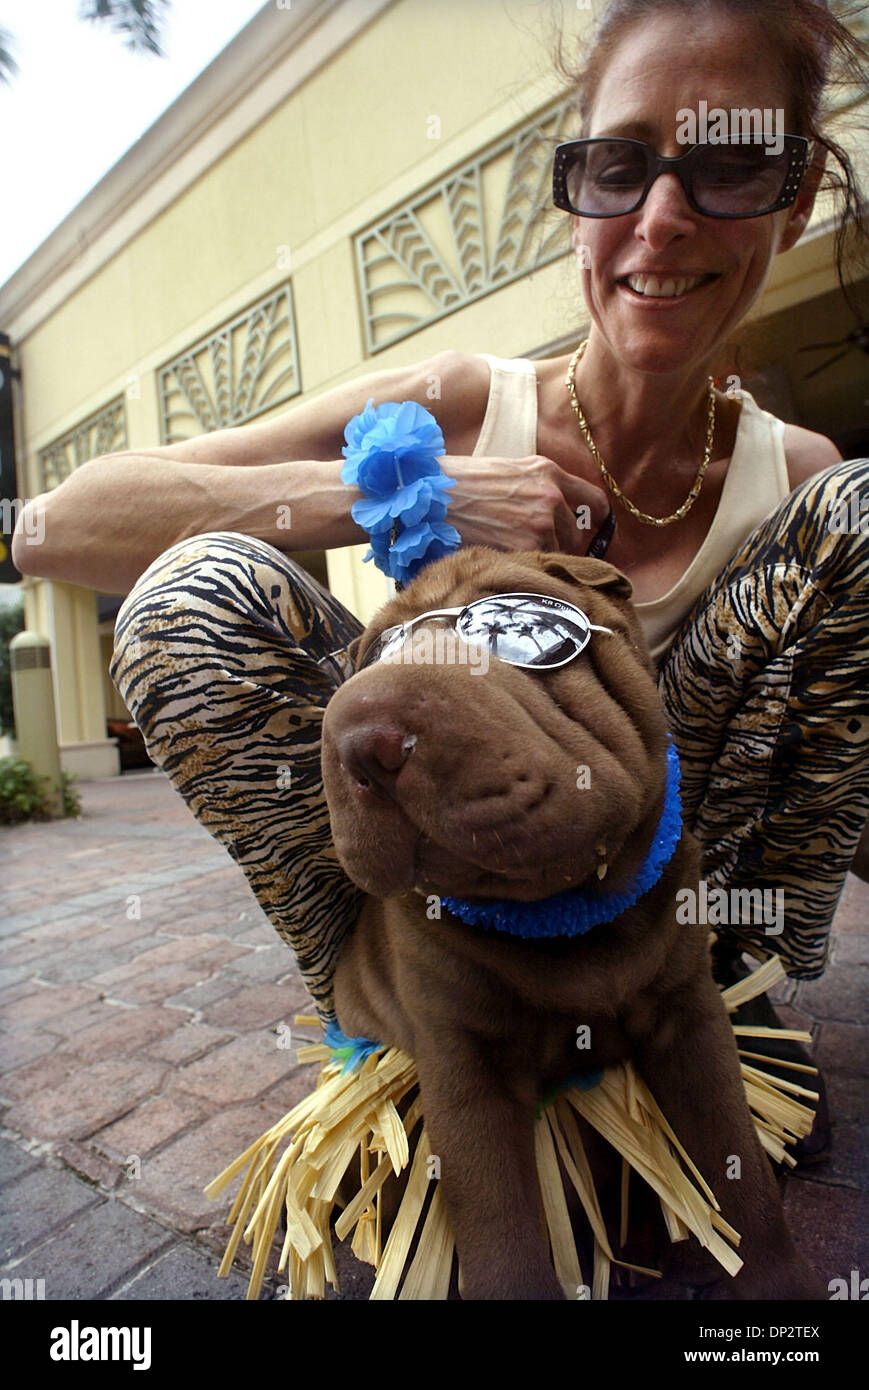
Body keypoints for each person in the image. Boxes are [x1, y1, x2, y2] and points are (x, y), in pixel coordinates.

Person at [13, 0, 869, 1167]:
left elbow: (821, 754)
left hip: (677, 912)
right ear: (572, 194)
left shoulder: (794, 481)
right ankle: (404, 1030)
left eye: (726, 167)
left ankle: (741, 993)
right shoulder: (466, 401)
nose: (659, 219)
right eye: (617, 167)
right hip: (439, 916)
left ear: (795, 199)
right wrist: (414, 493)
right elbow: (59, 526)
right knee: (187, 600)